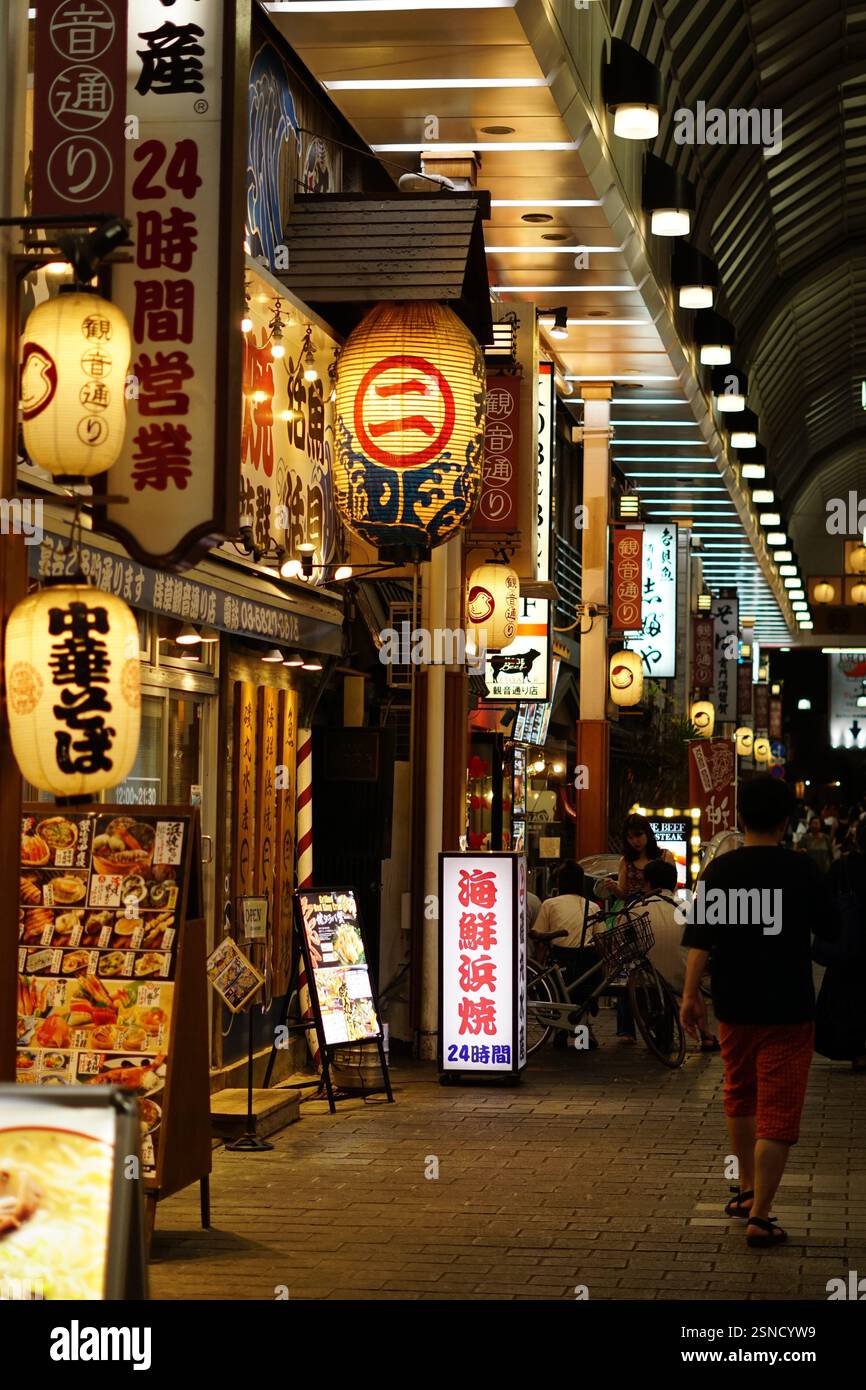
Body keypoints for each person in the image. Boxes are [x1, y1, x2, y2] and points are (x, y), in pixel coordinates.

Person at [680, 775, 837, 1250]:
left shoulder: (719, 873)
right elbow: (829, 930)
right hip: (789, 1006)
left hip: (734, 1004)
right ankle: (762, 1216)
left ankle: (746, 1190)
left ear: (740, 818)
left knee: (740, 1093)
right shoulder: (804, 870)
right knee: (779, 1109)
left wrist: (689, 996)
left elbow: (699, 942)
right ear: (787, 821)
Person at [642, 858, 719, 1053]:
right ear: (674, 883)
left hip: (647, 978)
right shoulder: (686, 907)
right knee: (694, 987)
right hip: (682, 977)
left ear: (648, 883)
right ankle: (706, 1036)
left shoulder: (637, 907)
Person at [815, 819, 866, 1071]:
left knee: (849, 1000)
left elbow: (824, 905)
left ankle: (858, 1051)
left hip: (849, 946)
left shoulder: (842, 867)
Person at [533, 861, 598, 1050]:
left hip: (560, 960)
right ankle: (582, 1039)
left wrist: (537, 966)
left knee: (560, 990)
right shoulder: (592, 906)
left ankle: (560, 1030)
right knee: (583, 995)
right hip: (587, 961)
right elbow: (599, 939)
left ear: (559, 883)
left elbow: (540, 936)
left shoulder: (550, 904)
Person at [605, 813, 676, 900]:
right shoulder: (625, 861)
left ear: (648, 833)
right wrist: (614, 888)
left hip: (660, 907)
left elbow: (673, 889)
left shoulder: (665, 856)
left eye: (638, 835)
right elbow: (623, 894)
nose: (635, 841)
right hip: (633, 910)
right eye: (630, 837)